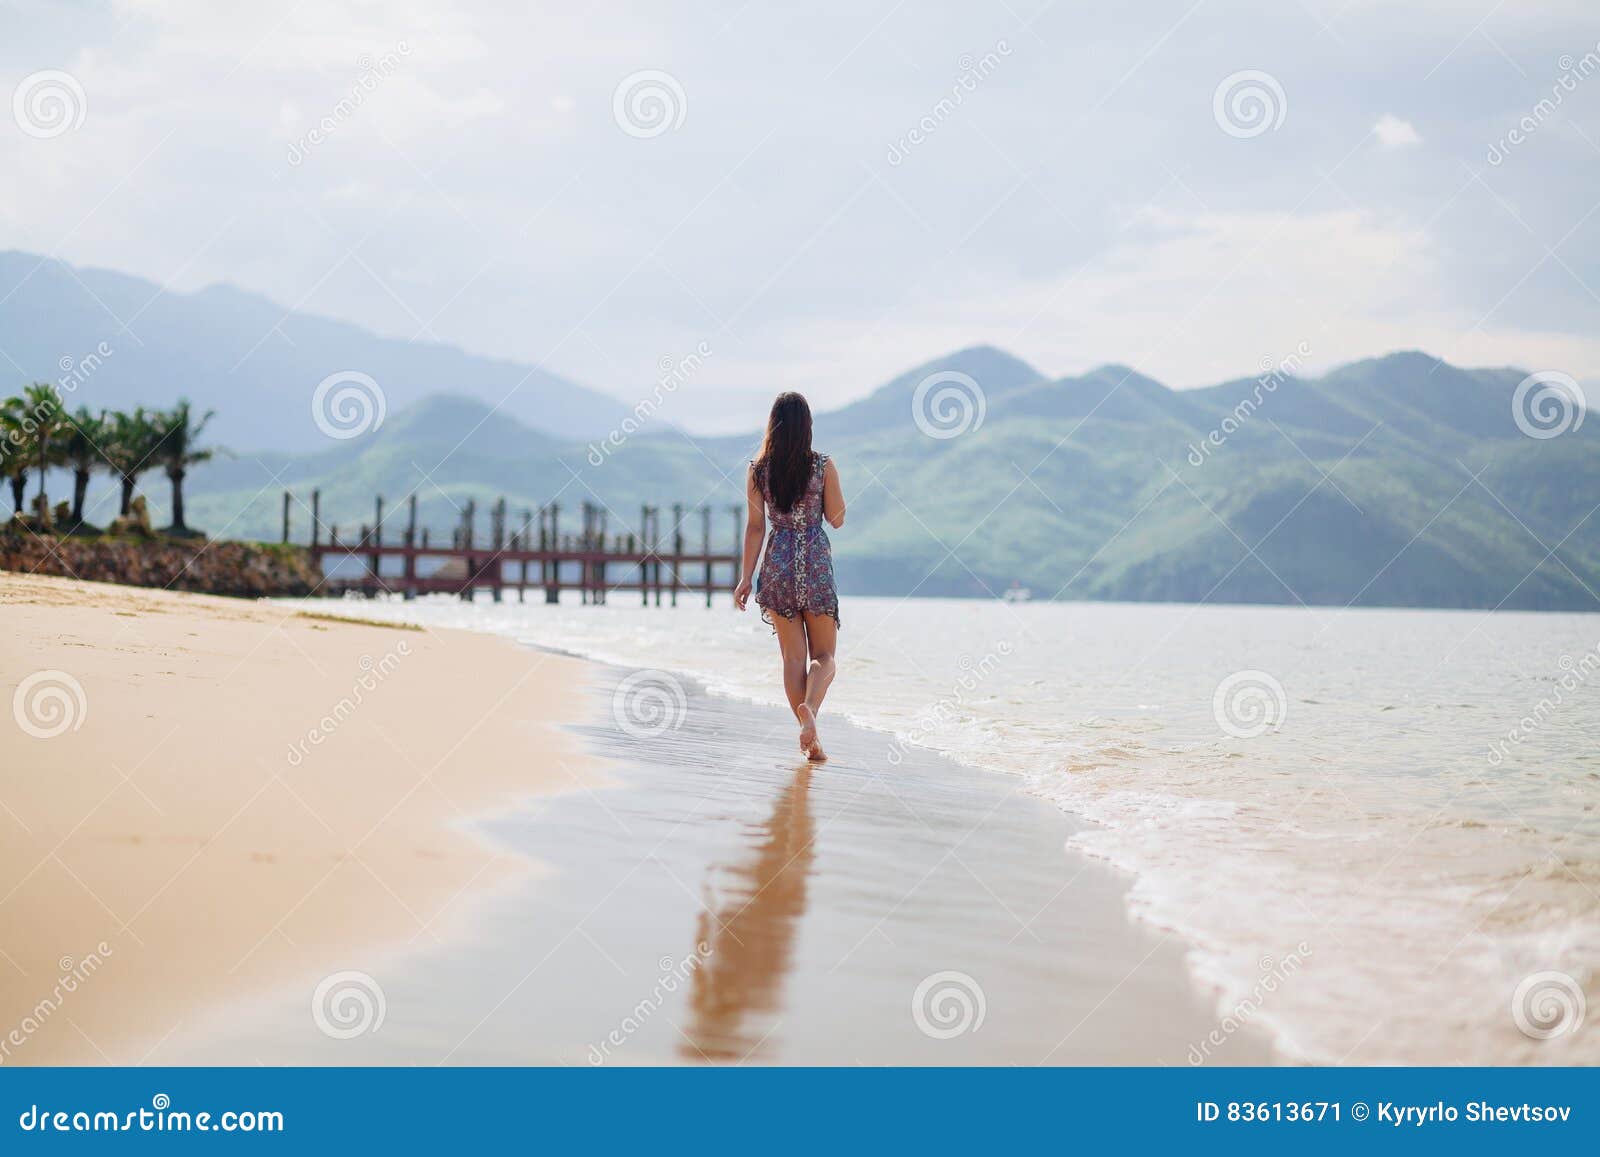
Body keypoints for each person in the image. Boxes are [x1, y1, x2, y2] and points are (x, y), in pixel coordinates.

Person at [733, 392, 846, 761]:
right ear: (807, 427)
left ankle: (809, 738)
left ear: (773, 426)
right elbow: (837, 518)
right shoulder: (823, 466)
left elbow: (755, 527)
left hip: (777, 565)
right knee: (825, 657)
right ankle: (809, 709)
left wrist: (745, 578)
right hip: (815, 564)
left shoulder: (758, 470)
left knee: (792, 660)